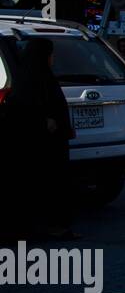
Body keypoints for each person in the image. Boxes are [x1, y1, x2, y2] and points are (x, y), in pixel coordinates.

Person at [7, 38, 77, 240]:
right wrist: (44, 120)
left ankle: (53, 225)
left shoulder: (42, 76)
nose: (52, 58)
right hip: (38, 145)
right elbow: (24, 108)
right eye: (50, 54)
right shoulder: (28, 80)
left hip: (53, 143)